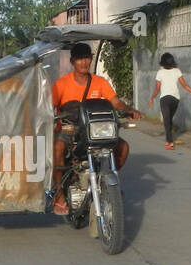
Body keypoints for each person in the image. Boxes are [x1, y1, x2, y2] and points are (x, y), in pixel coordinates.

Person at [48, 42, 142, 215]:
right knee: (57, 148)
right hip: (69, 130)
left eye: (87, 58)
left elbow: (114, 102)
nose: (84, 62)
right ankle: (59, 193)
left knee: (123, 147)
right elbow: (49, 107)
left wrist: (128, 110)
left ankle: (108, 184)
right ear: (72, 61)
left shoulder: (100, 82)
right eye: (79, 59)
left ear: (91, 59)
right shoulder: (61, 84)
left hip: (95, 131)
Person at [148, 52, 191, 150]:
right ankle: (169, 141)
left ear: (163, 61)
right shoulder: (177, 71)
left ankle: (169, 141)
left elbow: (157, 88)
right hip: (175, 99)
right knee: (168, 120)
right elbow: (185, 85)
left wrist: (152, 98)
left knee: (167, 120)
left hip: (165, 99)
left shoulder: (160, 72)